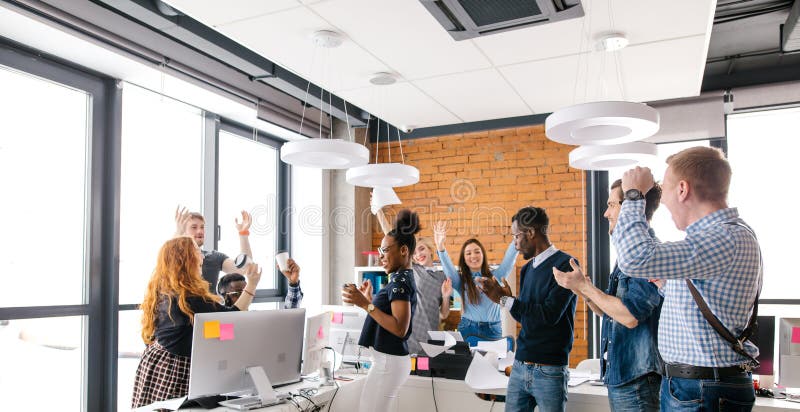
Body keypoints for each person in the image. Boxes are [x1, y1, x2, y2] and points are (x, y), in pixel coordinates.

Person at [612, 147, 761, 411]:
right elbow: (710, 303)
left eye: (666, 189)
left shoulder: (722, 238)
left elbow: (633, 257)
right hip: (702, 386)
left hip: (702, 389)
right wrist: (667, 285)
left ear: (682, 189)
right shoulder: (726, 236)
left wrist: (634, 195)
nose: (664, 201)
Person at [553, 179, 664, 412]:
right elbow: (610, 312)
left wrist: (585, 287)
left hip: (638, 380)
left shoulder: (647, 255)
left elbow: (630, 316)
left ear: (634, 207)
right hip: (624, 376)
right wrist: (583, 290)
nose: (605, 213)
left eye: (612, 205)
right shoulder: (627, 256)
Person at [131, 236, 262, 408]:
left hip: (157, 362)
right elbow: (232, 318)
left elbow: (203, 330)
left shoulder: (164, 291)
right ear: (184, 259)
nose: (202, 257)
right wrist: (251, 285)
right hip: (174, 369)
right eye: (197, 252)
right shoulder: (190, 297)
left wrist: (232, 333)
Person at [477, 206, 576, 412]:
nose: (514, 244)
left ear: (530, 233)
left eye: (516, 236)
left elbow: (548, 316)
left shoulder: (566, 265)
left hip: (550, 370)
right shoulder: (528, 270)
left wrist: (506, 299)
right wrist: (504, 300)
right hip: (520, 365)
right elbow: (525, 315)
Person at [343, 209, 418, 412]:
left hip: (389, 362)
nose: (380, 256)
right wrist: (368, 300)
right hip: (389, 361)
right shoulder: (400, 278)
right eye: (380, 250)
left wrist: (364, 303)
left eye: (385, 250)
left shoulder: (400, 281)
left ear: (403, 250)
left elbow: (400, 328)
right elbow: (386, 316)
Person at [376, 207, 451, 354]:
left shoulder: (442, 276)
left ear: (430, 250)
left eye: (422, 249)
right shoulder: (412, 268)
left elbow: (443, 314)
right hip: (409, 336)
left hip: (430, 337)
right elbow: (392, 239)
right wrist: (378, 211)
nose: (418, 255)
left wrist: (446, 296)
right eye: (415, 252)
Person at [434, 221, 518, 341]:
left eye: (477, 251)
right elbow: (448, 268)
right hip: (468, 329)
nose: (473, 256)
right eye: (468, 253)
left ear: (483, 254)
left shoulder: (496, 276)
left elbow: (510, 258)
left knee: (494, 360)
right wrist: (440, 246)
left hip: (493, 330)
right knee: (468, 360)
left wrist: (517, 237)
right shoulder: (460, 280)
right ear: (464, 259)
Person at [174, 206, 254, 293]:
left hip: (210, 306)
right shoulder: (175, 257)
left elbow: (244, 268)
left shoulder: (214, 257)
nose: (200, 231)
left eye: (202, 227)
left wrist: (243, 233)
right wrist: (178, 233)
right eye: (194, 227)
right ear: (183, 231)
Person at [217, 257, 304, 308]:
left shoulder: (257, 320)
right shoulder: (218, 324)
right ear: (224, 298)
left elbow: (289, 318)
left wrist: (293, 283)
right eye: (239, 293)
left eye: (247, 291)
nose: (246, 296)